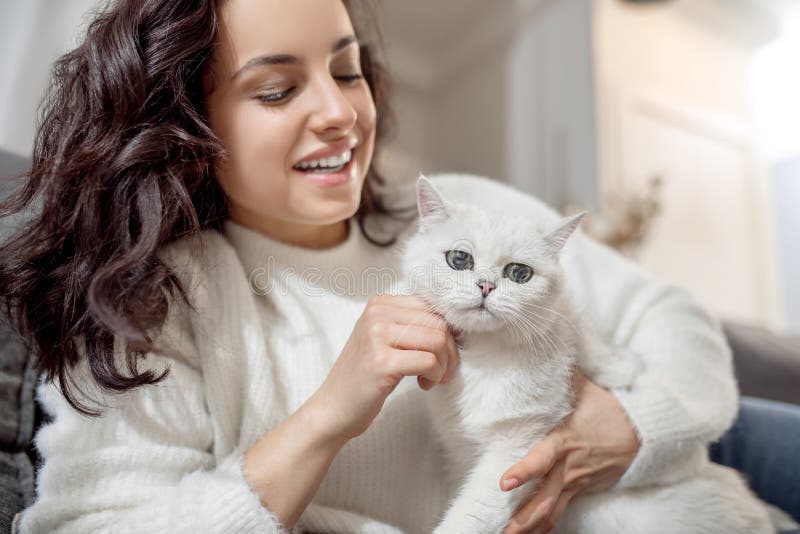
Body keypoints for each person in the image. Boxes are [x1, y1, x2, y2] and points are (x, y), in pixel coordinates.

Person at [0, 0, 787, 533]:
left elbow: (673, 316)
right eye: (277, 89)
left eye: (348, 72)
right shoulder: (165, 301)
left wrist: (632, 426)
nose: (341, 113)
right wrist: (325, 418)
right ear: (187, 126)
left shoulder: (463, 208)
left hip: (700, 444)